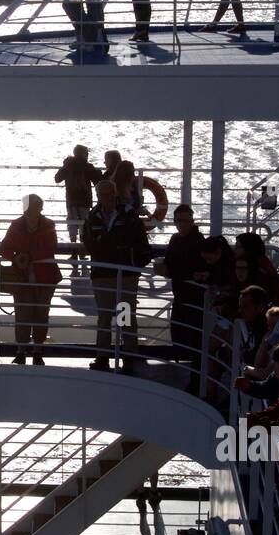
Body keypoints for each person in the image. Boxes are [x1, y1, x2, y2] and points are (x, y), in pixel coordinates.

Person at [82, 179, 152, 374]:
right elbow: (88, 243)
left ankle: (129, 356)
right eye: (104, 195)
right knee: (104, 316)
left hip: (126, 274)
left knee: (125, 315)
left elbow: (140, 242)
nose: (108, 198)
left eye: (110, 194)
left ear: (115, 194)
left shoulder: (129, 215)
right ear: (98, 196)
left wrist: (132, 264)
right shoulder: (93, 216)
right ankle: (102, 356)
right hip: (102, 275)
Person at [0, 194, 62, 366]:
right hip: (22, 278)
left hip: (46, 278)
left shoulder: (48, 225)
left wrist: (28, 256)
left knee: (41, 314)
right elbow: (4, 248)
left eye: (37, 206)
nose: (35, 210)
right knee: (23, 314)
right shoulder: (16, 225)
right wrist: (15, 257)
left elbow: (51, 248)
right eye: (33, 206)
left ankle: (37, 350)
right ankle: (21, 350)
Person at [155, 204, 206, 362]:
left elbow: (195, 269)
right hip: (180, 294)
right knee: (178, 330)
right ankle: (181, 359)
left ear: (192, 220)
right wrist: (163, 266)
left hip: (195, 296)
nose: (181, 224)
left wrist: (170, 271)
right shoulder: (175, 238)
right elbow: (171, 261)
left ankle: (193, 365)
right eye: (178, 220)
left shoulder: (199, 241)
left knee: (194, 333)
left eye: (184, 220)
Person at [54, 144, 104, 256]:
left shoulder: (68, 165)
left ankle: (73, 249)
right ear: (84, 154)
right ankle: (82, 249)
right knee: (84, 224)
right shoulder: (87, 166)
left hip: (71, 200)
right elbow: (98, 180)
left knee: (72, 223)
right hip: (84, 200)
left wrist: (64, 165)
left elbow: (57, 179)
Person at [234, 232, 279, 305]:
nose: (235, 250)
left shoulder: (259, 269)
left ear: (248, 248)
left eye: (238, 247)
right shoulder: (259, 261)